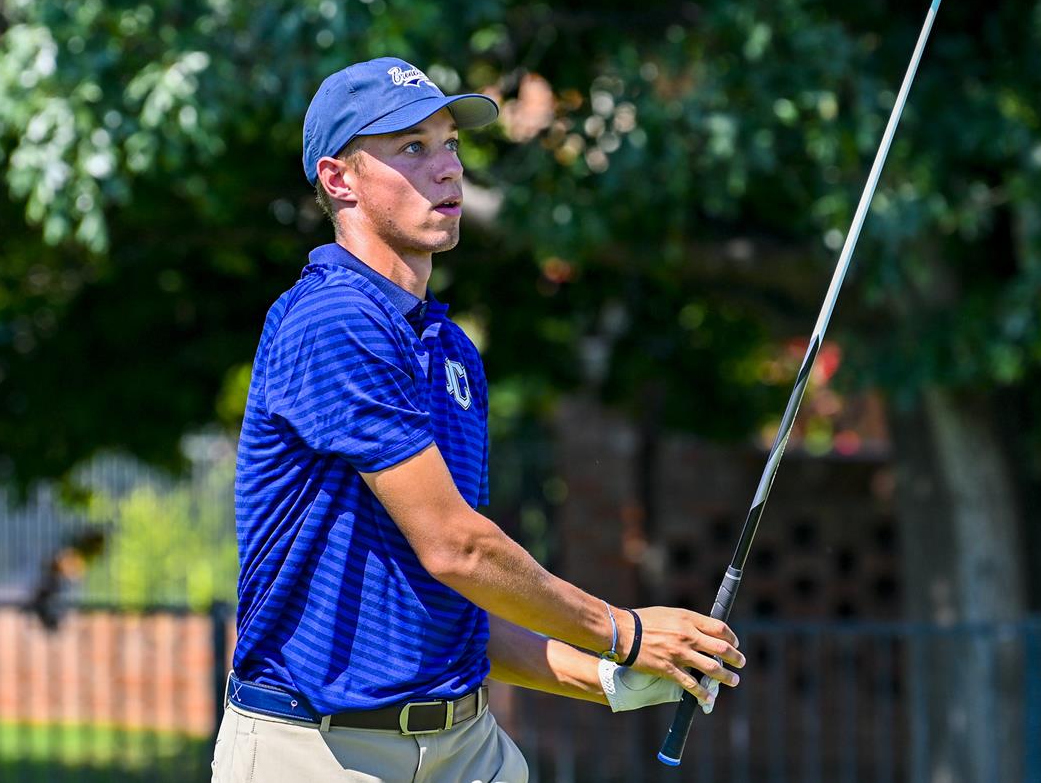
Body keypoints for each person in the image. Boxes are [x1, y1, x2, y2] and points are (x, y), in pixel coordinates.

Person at [211, 56, 745, 783]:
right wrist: (623, 632)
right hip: (319, 751)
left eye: (451, 144)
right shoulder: (332, 318)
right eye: (412, 147)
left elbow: (457, 598)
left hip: (466, 746)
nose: (448, 168)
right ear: (339, 180)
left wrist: (608, 678)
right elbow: (457, 548)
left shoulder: (451, 349)